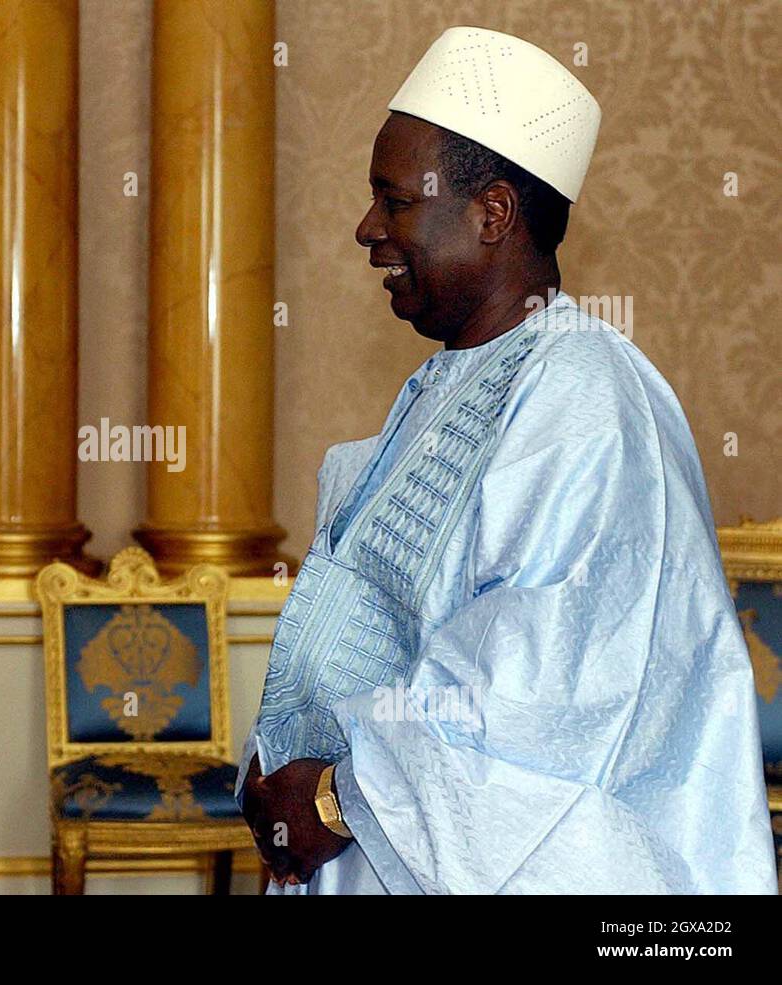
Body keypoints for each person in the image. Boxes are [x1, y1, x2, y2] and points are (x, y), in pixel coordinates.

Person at [237, 26, 777, 894]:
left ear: (491, 214)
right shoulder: (447, 386)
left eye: (395, 200)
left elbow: (541, 687)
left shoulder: (585, 394)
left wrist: (336, 796)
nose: (367, 229)